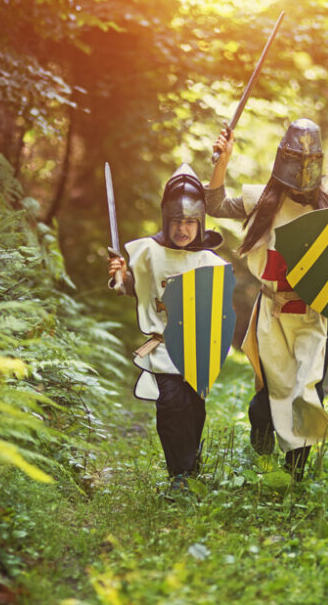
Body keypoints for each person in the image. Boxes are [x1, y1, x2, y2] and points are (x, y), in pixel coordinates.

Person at [206, 119, 328, 480]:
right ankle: (262, 438)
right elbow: (213, 204)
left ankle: (296, 477)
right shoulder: (263, 202)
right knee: (268, 397)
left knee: (307, 393)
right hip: (271, 313)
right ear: (284, 161)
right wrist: (222, 161)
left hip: (313, 316)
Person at [108, 163, 227, 495]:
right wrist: (121, 275)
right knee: (170, 404)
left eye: (190, 222)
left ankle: (191, 463)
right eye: (177, 221)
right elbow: (135, 286)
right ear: (166, 220)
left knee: (193, 407)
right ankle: (179, 473)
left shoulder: (208, 259)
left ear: (200, 222)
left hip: (196, 345)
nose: (183, 229)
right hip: (163, 347)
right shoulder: (148, 252)